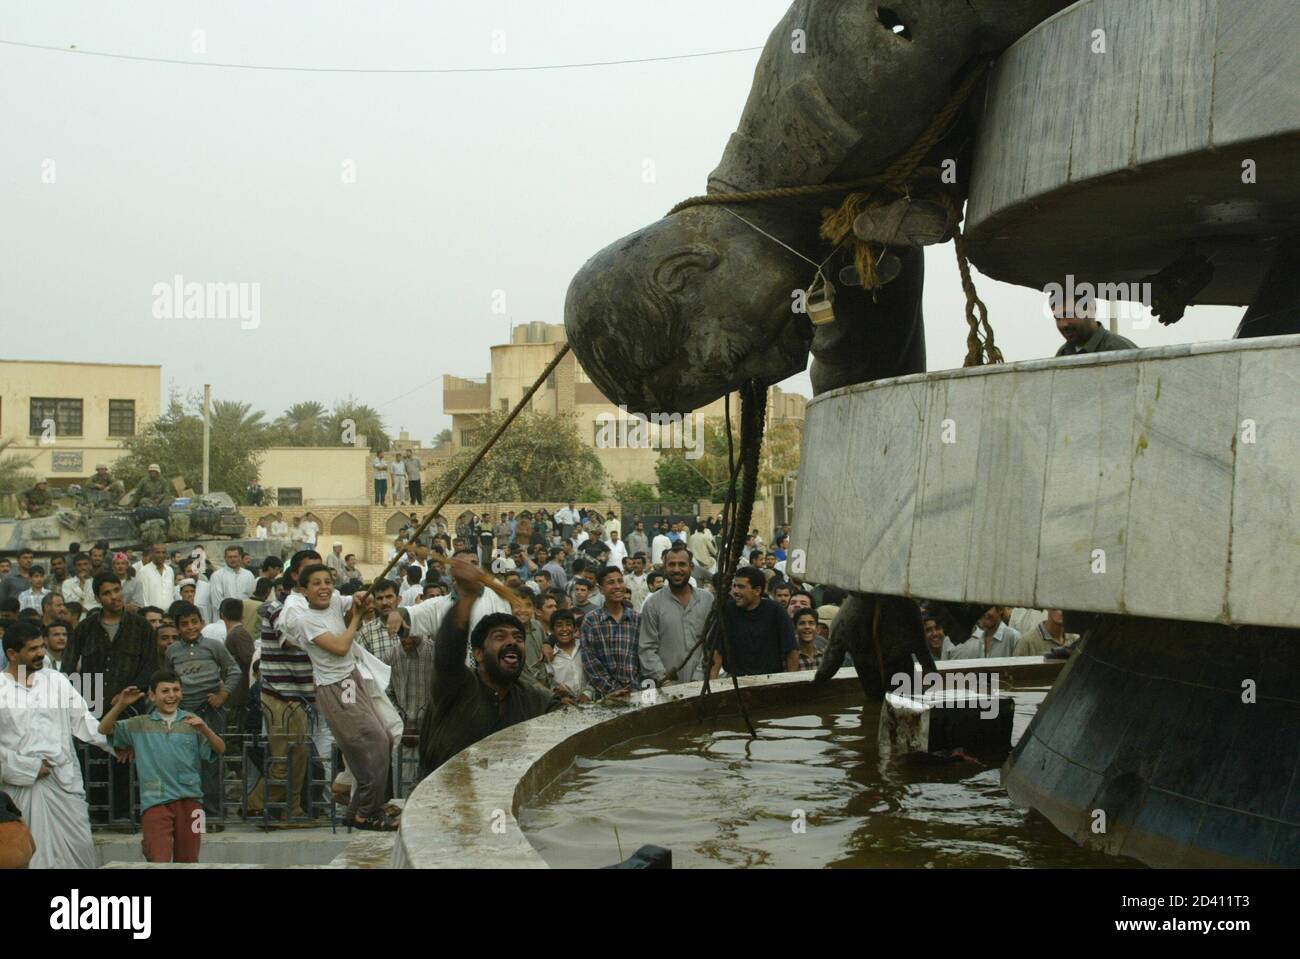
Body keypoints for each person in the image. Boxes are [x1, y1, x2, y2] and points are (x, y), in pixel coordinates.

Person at [416, 558, 561, 775]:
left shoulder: (529, 695)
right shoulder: (456, 686)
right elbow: (448, 655)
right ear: (479, 653)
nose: (512, 642)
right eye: (500, 637)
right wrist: (467, 597)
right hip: (441, 798)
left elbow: (560, 715)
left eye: (518, 638)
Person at [283, 565, 397, 831]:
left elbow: (356, 598)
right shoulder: (306, 620)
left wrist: (361, 598)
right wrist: (357, 617)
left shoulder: (334, 600)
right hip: (335, 688)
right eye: (315, 584)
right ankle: (368, 811)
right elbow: (340, 647)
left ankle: (358, 809)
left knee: (387, 738)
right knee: (377, 742)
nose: (323, 587)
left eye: (327, 582)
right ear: (304, 591)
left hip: (352, 678)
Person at [0, 620, 114, 868]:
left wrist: (116, 744)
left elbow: (84, 720)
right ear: (11, 653)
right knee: (29, 856)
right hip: (20, 788)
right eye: (32, 649)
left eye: (41, 646)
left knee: (80, 850)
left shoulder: (57, 681)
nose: (41, 653)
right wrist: (28, 766)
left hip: (63, 782)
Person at [98, 672, 225, 863]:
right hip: (154, 801)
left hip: (192, 801)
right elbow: (104, 729)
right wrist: (121, 704)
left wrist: (205, 729)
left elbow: (220, 749)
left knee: (190, 861)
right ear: (152, 696)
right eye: (165, 691)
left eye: (176, 690)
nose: (171, 695)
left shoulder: (193, 721)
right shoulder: (140, 724)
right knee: (157, 859)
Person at [165, 602, 238, 820]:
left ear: (202, 622)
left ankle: (214, 814)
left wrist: (222, 696)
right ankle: (192, 814)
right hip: (185, 712)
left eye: (194, 622)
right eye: (184, 624)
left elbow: (233, 671)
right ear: (177, 628)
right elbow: (168, 680)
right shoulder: (172, 651)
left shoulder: (214, 646)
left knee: (211, 763)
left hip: (211, 711)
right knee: (187, 762)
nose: (190, 627)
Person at [639, 543, 713, 685]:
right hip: (666, 688)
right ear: (665, 568)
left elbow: (711, 644)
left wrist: (699, 677)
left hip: (703, 685)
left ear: (691, 567)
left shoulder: (707, 600)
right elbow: (647, 649)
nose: (676, 569)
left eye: (682, 564)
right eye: (671, 564)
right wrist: (664, 680)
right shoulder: (653, 604)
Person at [711, 567, 798, 678]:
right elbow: (717, 652)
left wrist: (791, 685)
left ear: (757, 590)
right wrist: (712, 687)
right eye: (734, 586)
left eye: (741, 587)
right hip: (735, 682)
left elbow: (791, 651)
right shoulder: (727, 611)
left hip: (770, 681)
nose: (735, 591)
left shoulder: (776, 611)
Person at [579, 566, 640, 697]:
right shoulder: (591, 620)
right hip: (605, 695)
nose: (618, 586)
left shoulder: (636, 619)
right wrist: (613, 689)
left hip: (636, 692)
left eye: (620, 581)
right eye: (611, 582)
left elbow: (642, 657)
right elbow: (590, 661)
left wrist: (637, 688)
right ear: (601, 589)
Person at [1054, 298, 1138, 356]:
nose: (1063, 324)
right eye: (1058, 318)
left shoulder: (1120, 351)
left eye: (1069, 315)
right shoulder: (1062, 354)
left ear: (1091, 310)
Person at [545, 609, 588, 701]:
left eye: (568, 624)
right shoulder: (549, 655)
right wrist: (559, 695)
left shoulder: (585, 647)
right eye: (559, 625)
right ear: (552, 630)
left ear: (574, 628)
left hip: (591, 702)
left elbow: (595, 673)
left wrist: (588, 693)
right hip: (564, 705)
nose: (564, 629)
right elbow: (549, 684)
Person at [947, 606, 1023, 659]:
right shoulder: (979, 639)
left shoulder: (1012, 636)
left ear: (1000, 609)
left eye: (987, 609)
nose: (983, 614)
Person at [209, 545, 255, 616]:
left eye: (235, 557)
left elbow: (251, 597)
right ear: (225, 558)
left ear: (240, 557)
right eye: (230, 557)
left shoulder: (248, 575)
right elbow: (217, 602)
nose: (233, 559)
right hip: (225, 618)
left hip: (245, 616)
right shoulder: (217, 576)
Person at [1014, 609, 1079, 656]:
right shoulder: (1027, 642)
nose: (1061, 611)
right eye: (1056, 605)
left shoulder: (1075, 640)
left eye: (1066, 606)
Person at [137, 543, 176, 611]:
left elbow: (172, 593)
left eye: (163, 552)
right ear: (151, 554)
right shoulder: (144, 571)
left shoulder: (170, 570)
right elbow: (143, 597)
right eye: (158, 552)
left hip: (169, 615)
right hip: (152, 615)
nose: (161, 555)